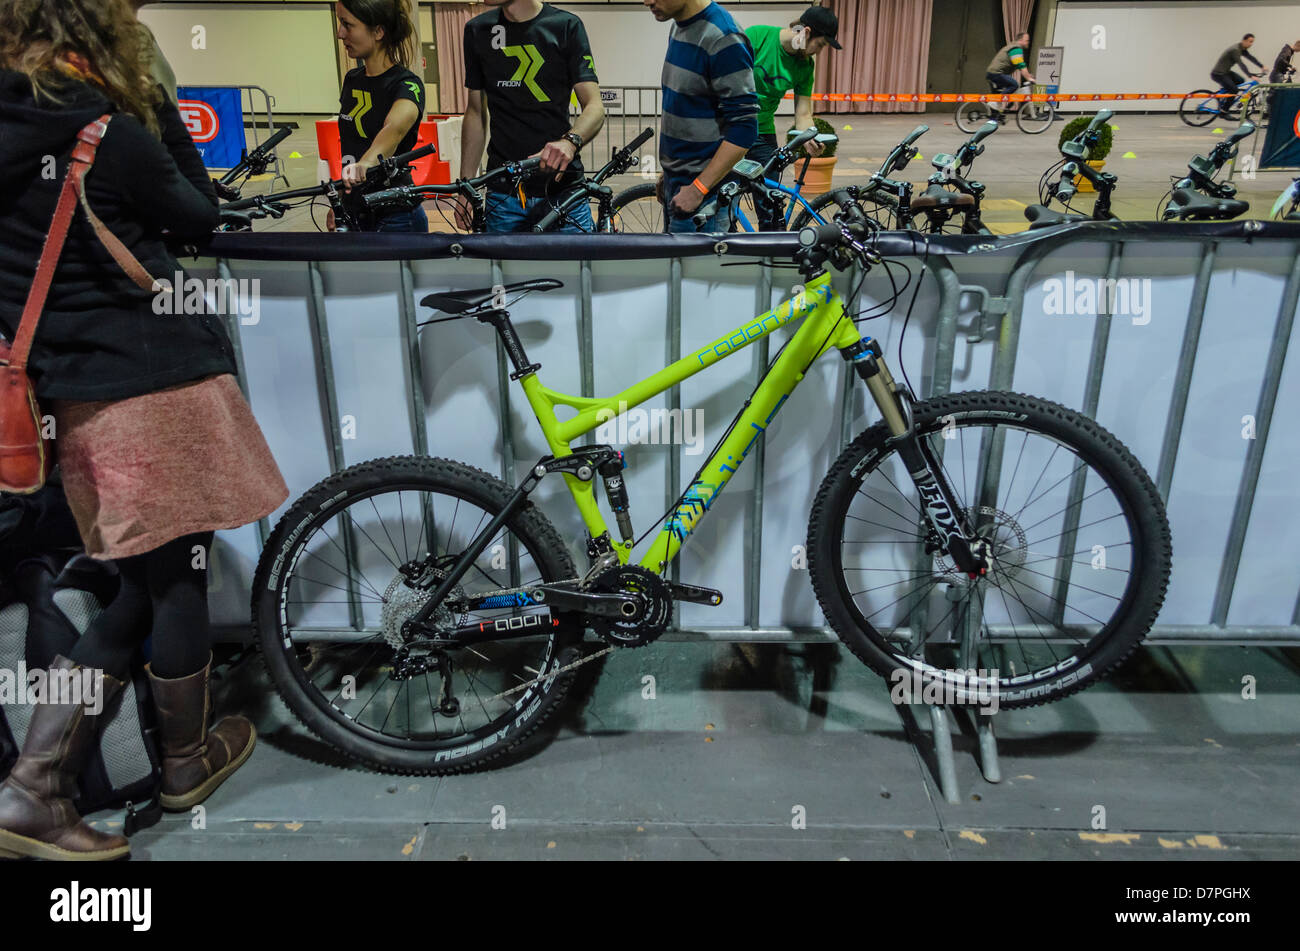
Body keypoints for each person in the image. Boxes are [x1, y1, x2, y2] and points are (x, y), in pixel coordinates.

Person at [0, 0, 287, 860]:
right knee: (160, 580)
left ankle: (177, 760)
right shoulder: (109, 134)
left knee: (156, 569)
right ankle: (39, 787)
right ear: (104, 33)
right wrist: (156, 113)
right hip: (151, 381)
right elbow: (199, 212)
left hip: (72, 397)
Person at [457, 0, 605, 234]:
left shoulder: (566, 26)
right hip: (504, 193)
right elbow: (475, 113)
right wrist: (466, 186)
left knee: (577, 269)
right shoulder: (477, 29)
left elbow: (594, 106)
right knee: (504, 271)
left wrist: (570, 141)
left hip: (563, 190)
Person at [645, 0, 758, 233]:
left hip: (704, 202)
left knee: (695, 270)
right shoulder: (678, 25)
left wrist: (698, 188)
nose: (647, 1)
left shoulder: (723, 37)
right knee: (677, 268)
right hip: (679, 185)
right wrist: (670, 172)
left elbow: (744, 129)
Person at [335, 0, 428, 232]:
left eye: (347, 25)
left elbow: (393, 131)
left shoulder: (406, 85)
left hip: (396, 214)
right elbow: (350, 147)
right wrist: (339, 202)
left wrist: (366, 163)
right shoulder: (352, 79)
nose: (340, 33)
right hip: (355, 209)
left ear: (378, 31)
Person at [744, 6, 840, 230]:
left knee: (770, 201)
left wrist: (809, 136)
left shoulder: (805, 65)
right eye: (820, 44)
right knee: (725, 195)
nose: (818, 52)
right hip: (731, 128)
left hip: (763, 132)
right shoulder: (757, 37)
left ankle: (770, 250)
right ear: (805, 32)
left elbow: (804, 112)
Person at [985, 31, 1034, 123]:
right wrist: (1029, 78)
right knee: (1014, 85)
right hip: (996, 73)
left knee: (1006, 98)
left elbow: (1021, 66)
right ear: (1020, 40)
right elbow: (1021, 65)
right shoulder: (1016, 49)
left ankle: (996, 117)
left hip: (992, 73)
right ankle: (996, 103)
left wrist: (1028, 75)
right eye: (1027, 40)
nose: (1028, 42)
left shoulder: (1012, 47)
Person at [1211, 33, 1265, 108]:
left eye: (1252, 42)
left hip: (1225, 72)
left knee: (1240, 80)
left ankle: (1225, 93)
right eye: (1250, 41)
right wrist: (1250, 76)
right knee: (1234, 90)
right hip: (1218, 74)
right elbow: (1241, 64)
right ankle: (1224, 111)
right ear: (1244, 41)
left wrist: (1262, 66)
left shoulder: (1242, 48)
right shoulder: (1235, 50)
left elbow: (1251, 58)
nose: (1251, 44)